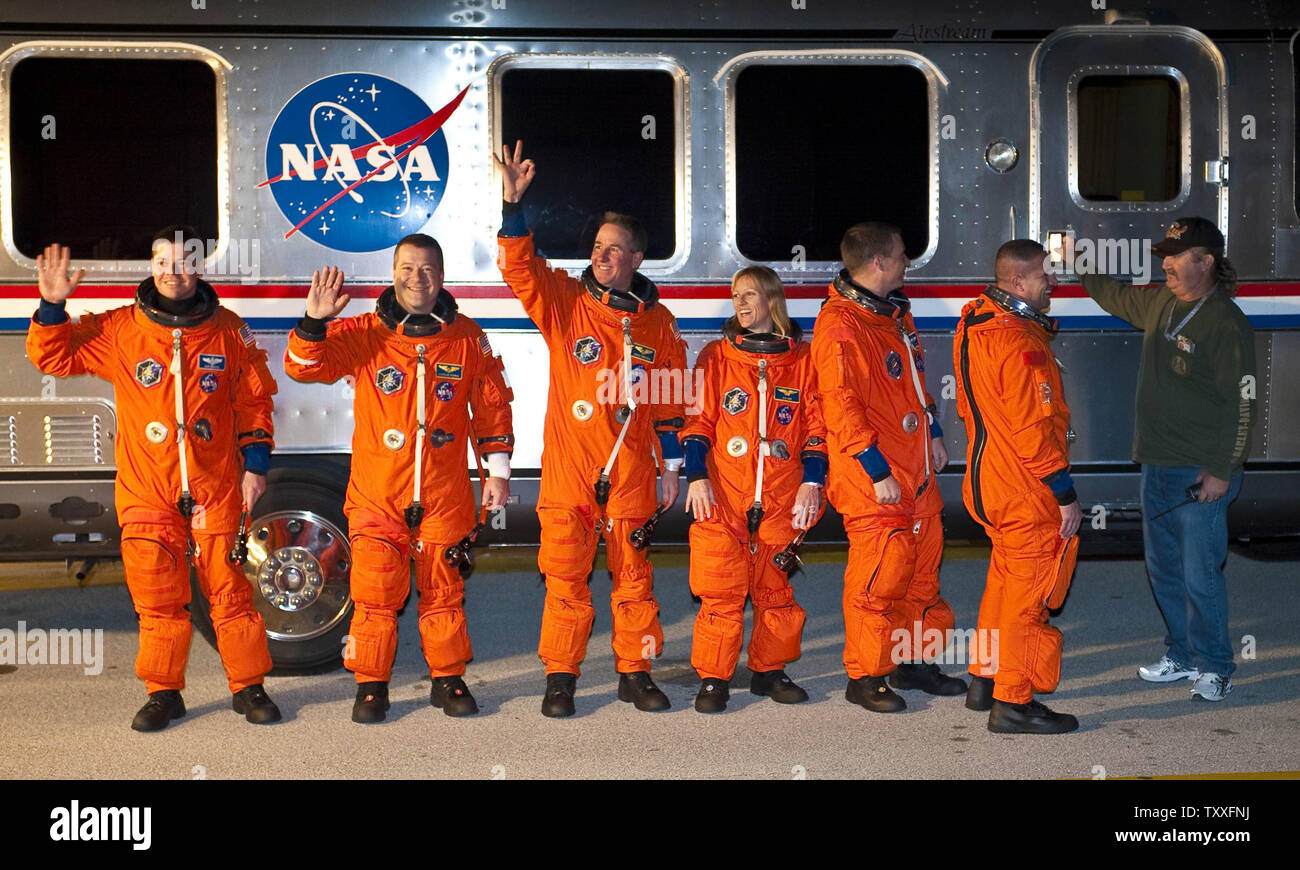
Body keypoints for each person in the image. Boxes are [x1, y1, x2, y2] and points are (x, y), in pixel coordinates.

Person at [27, 227, 281, 731]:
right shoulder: (123, 328)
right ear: (151, 266)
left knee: (229, 592)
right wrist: (52, 307)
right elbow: (54, 356)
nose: (172, 271)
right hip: (148, 488)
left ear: (200, 267)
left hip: (216, 485)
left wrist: (255, 466)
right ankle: (164, 694)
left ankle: (249, 687)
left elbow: (254, 399)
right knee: (157, 596)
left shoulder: (230, 330)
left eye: (183, 261)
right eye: (162, 261)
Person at [284, 234, 513, 722]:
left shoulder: (470, 338)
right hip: (378, 493)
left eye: (428, 269)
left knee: (444, 590)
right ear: (393, 274)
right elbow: (304, 369)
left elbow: (491, 409)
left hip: (444, 494)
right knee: (375, 592)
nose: (417, 278)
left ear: (442, 276)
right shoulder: (367, 334)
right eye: (408, 268)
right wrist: (313, 322)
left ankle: (448, 679)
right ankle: (371, 686)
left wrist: (497, 473)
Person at [493, 140, 687, 717]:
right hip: (572, 474)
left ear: (637, 259)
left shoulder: (660, 326)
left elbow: (674, 402)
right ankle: (561, 677)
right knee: (565, 581)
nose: (603, 257)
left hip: (630, 475)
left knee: (635, 582)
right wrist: (513, 206)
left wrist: (673, 467)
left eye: (615, 250)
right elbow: (518, 268)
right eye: (599, 248)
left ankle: (635, 673)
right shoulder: (566, 304)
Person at [1076, 217, 1255, 702]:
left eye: (1178, 256)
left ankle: (1215, 664)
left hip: (1200, 471)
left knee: (1201, 575)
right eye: (1166, 256)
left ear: (1207, 261)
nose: (1168, 264)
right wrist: (1079, 264)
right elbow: (1116, 296)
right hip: (1156, 464)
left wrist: (1222, 470)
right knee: (1167, 569)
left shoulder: (1225, 322)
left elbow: (1243, 402)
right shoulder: (1161, 303)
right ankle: (1182, 654)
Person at [810, 222, 966, 712]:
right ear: (879, 262)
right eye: (901, 255)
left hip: (913, 464)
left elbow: (915, 382)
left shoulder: (892, 314)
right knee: (879, 578)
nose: (907, 262)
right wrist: (876, 471)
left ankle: (913, 663)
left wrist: (934, 435)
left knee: (920, 573)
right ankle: (866, 676)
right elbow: (841, 406)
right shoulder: (842, 326)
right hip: (874, 474)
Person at [681, 266, 828, 713]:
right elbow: (698, 423)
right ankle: (713, 678)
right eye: (735, 296)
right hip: (724, 493)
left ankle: (769, 670)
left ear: (772, 300)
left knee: (775, 591)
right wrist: (696, 475)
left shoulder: (803, 361)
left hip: (781, 496)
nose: (740, 304)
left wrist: (812, 482)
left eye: (749, 295)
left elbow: (818, 431)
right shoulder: (716, 356)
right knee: (721, 591)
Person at [953, 240, 1082, 734]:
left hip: (988, 477)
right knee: (1029, 597)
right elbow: (1032, 430)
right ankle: (1013, 702)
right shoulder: (1021, 343)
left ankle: (984, 679)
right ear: (1017, 282)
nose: (1050, 282)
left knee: (1005, 583)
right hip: (1024, 485)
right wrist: (1064, 492)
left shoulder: (976, 323)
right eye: (1044, 275)